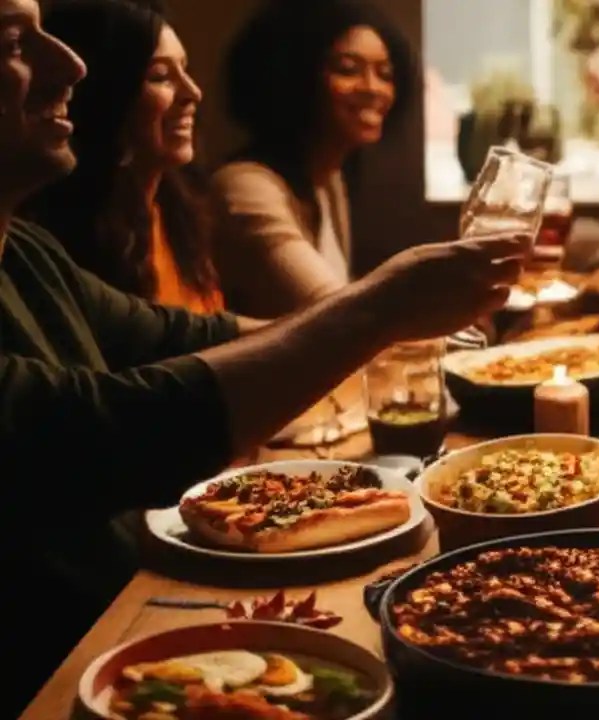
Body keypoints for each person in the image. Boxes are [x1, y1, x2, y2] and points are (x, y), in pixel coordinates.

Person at [0, 1, 523, 713]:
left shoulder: (25, 252)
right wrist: (378, 309)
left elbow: (187, 338)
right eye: (13, 40)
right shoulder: (241, 186)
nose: (71, 65)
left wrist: (380, 312)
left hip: (141, 613)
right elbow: (101, 429)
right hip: (64, 677)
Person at [212, 0, 414, 317]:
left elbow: (343, 293)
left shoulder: (331, 178)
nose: (374, 88)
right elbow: (334, 310)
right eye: (348, 70)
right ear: (293, 76)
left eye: (385, 73)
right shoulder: (243, 186)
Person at [21, 0, 221, 312]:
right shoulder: (65, 243)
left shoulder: (176, 210)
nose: (192, 92)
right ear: (108, 94)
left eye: (185, 69)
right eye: (160, 77)